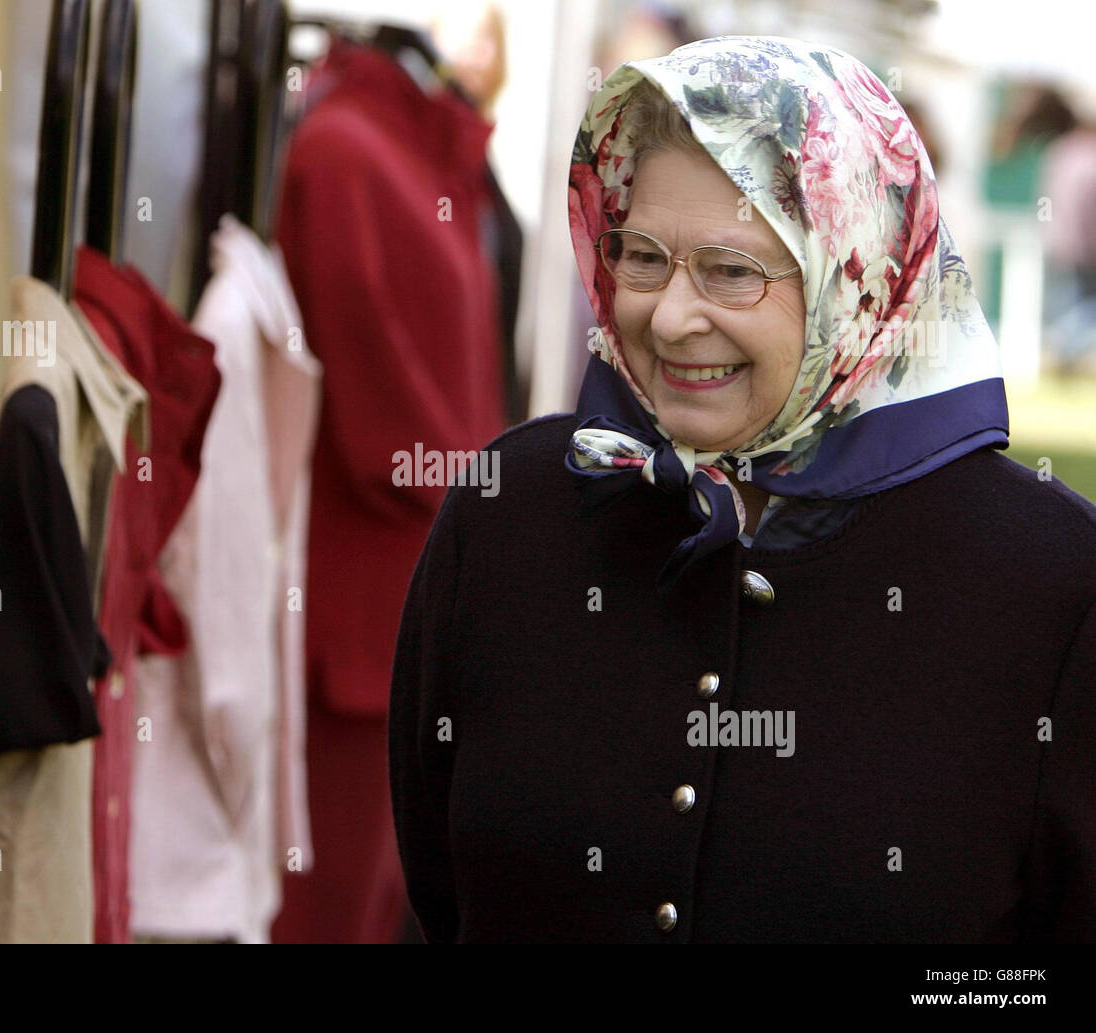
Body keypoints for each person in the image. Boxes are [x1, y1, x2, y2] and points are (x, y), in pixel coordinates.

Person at [389, 35, 1096, 944]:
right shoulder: (512, 511)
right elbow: (441, 894)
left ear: (861, 275)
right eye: (641, 256)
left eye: (730, 270)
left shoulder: (1052, 587)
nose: (670, 316)